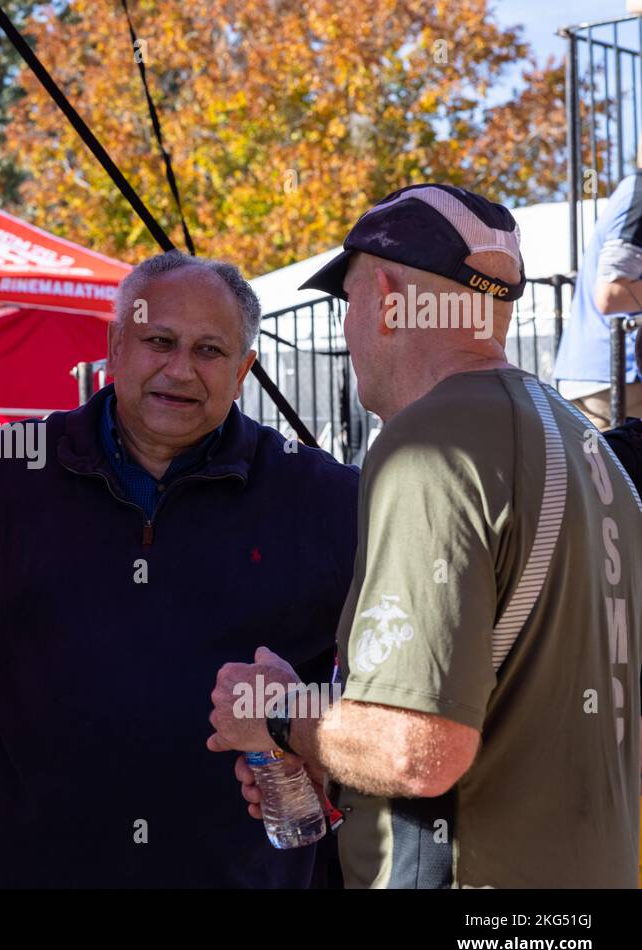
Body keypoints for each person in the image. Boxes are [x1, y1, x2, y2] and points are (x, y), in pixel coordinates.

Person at [0, 251, 358, 887]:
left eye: (209, 351)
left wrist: (319, 740)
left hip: (237, 871)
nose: (180, 370)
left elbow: (409, 660)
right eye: (159, 341)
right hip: (21, 862)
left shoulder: (327, 498)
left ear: (244, 369)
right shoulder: (9, 470)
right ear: (116, 346)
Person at [210, 183, 642, 887]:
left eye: (347, 303)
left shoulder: (431, 444)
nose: (349, 330)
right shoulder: (582, 443)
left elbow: (420, 751)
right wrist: (335, 749)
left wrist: (277, 713)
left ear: (384, 292)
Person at [553, 159, 642, 428]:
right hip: (614, 378)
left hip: (602, 378)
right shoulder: (639, 194)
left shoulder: (632, 192)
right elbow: (611, 294)